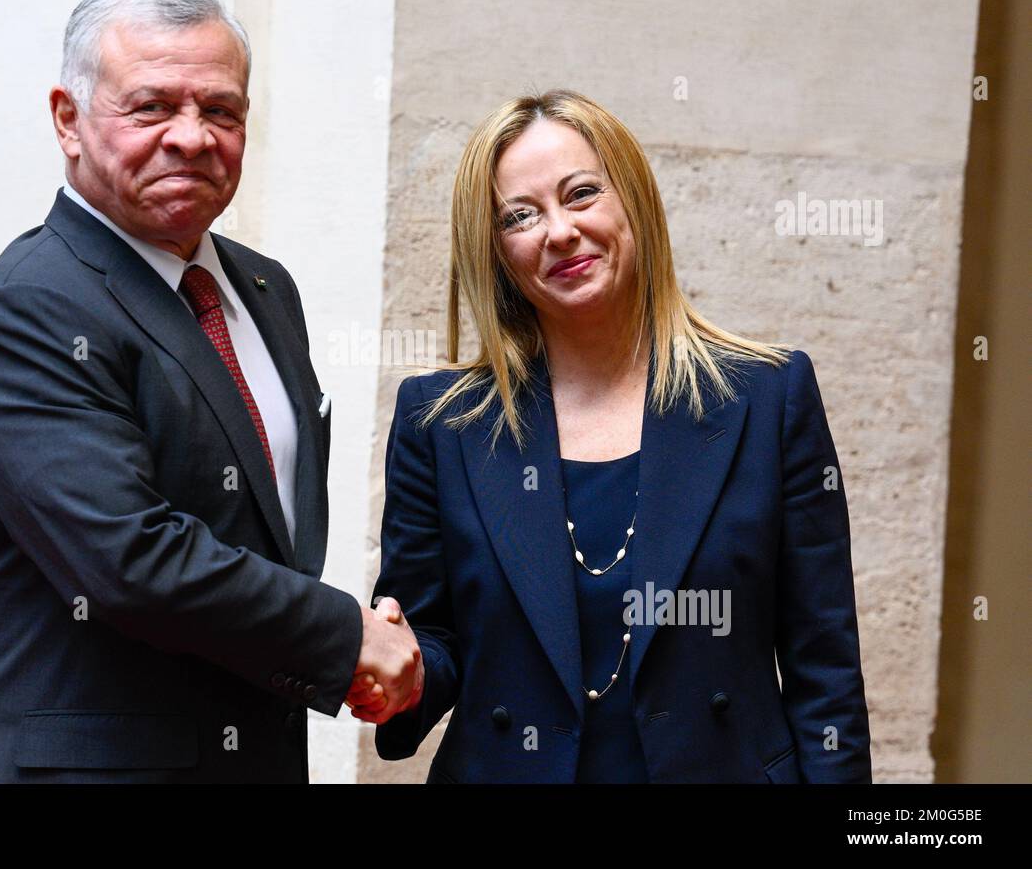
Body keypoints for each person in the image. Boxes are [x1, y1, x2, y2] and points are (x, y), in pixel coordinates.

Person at [0, 0, 421, 783]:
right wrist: (346, 636)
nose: (191, 137)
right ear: (67, 120)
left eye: (220, 111)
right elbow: (129, 558)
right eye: (150, 107)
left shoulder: (261, 290)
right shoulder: (36, 302)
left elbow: (259, 534)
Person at [356, 90, 872, 783]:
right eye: (521, 216)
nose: (560, 231)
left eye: (582, 194)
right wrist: (403, 674)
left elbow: (824, 668)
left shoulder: (766, 397)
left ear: (633, 201)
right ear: (497, 255)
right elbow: (434, 642)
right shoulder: (442, 422)